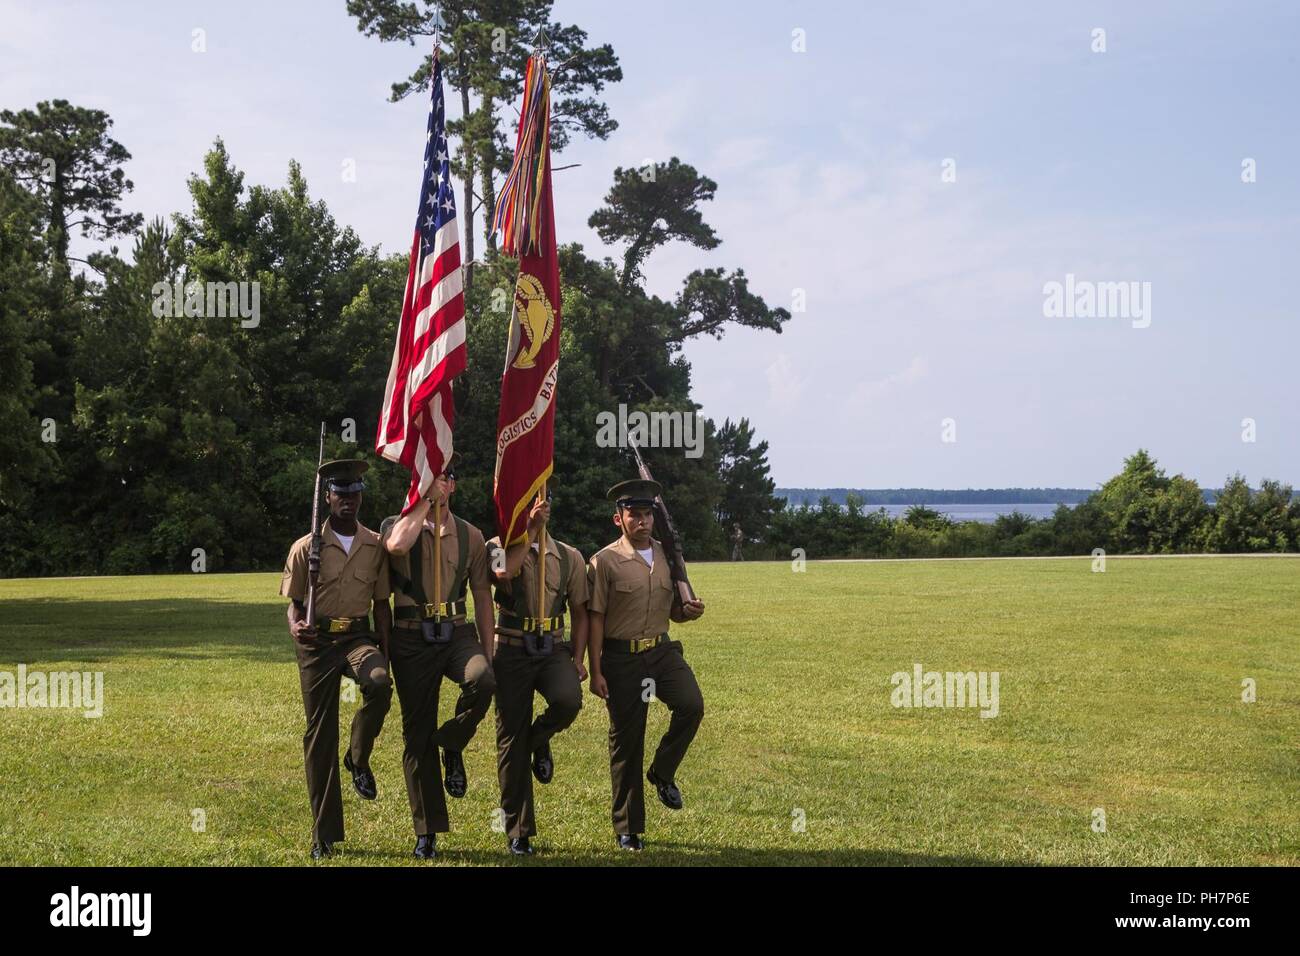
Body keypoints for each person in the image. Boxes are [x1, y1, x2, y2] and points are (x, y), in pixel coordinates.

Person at [380, 459, 496, 860]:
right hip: (412, 638)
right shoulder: (396, 525)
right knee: (416, 733)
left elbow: (482, 594)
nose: (436, 482)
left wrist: (488, 645)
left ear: (454, 487)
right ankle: (427, 830)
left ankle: (452, 743)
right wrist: (422, 503)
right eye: (428, 475)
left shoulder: (471, 535)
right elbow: (396, 546)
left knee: (483, 680)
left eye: (442, 477)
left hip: (458, 633)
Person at [280, 458, 393, 860]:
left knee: (379, 683)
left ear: (362, 496)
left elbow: (382, 605)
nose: (348, 500)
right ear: (328, 498)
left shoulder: (374, 545)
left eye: (355, 493)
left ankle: (358, 757)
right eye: (341, 493)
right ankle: (323, 833)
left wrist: (387, 650)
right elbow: (293, 606)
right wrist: (296, 626)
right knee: (319, 733)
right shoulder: (305, 548)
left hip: (358, 637)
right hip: (317, 643)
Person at [586, 479, 706, 851]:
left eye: (647, 514)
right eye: (634, 515)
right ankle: (628, 826)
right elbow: (595, 618)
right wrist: (595, 668)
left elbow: (674, 610)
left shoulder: (669, 555)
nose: (642, 521)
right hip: (621, 657)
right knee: (627, 740)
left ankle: (662, 772)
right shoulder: (603, 561)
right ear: (617, 519)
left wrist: (688, 612)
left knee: (691, 705)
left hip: (662, 651)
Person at [485, 496, 589, 855]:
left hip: (552, 648)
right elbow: (503, 574)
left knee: (567, 701)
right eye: (528, 498)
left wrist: (578, 658)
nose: (537, 505)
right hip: (511, 648)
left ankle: (539, 738)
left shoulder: (569, 556)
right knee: (510, 735)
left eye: (542, 499)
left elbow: (580, 610)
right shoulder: (496, 546)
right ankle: (518, 830)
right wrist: (528, 531)